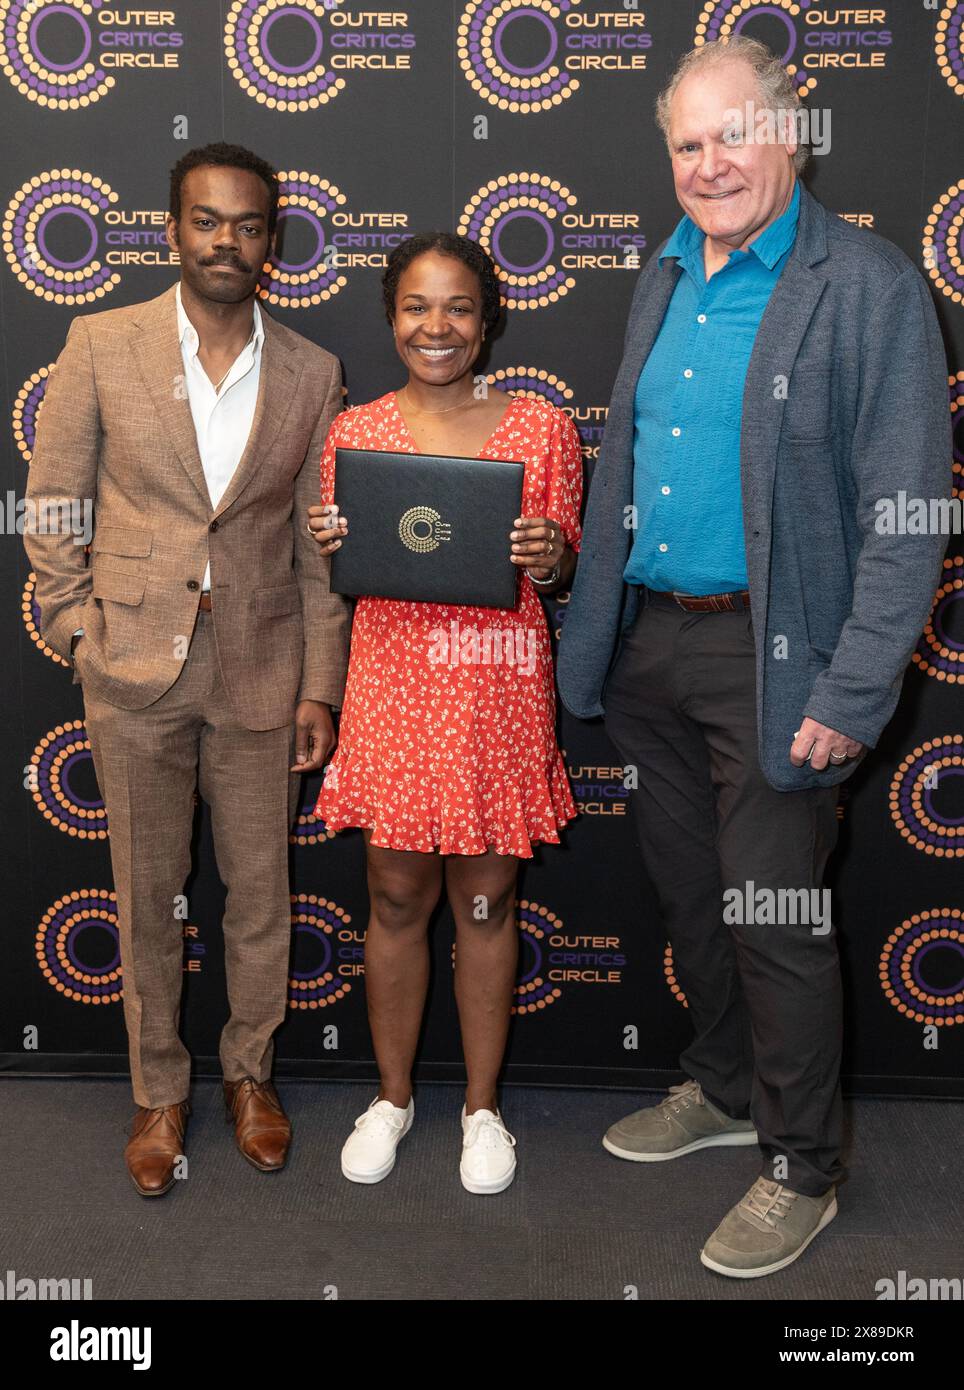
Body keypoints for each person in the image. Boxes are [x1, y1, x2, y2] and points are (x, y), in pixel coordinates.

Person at [556, 37, 951, 1277]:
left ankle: (800, 1166)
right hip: (653, 646)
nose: (709, 163)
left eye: (733, 134)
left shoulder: (868, 284)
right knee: (693, 899)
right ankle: (725, 1086)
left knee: (773, 917)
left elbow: (906, 509)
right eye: (687, 143)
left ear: (790, 135)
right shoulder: (665, 270)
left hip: (779, 661)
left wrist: (854, 685)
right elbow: (632, 459)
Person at [23, 143, 352, 1197]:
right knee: (147, 896)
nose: (225, 241)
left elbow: (316, 546)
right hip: (131, 665)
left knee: (260, 896)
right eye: (206, 221)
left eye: (247, 225)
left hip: (261, 666)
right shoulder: (101, 342)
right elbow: (55, 499)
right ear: (172, 231)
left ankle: (250, 1076)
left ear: (271, 242)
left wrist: (320, 683)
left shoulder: (311, 371)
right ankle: (159, 1091)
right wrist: (72, 625)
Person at [306, 232, 582, 1194]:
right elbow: (337, 574)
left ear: (487, 319)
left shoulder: (542, 428)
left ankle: (480, 1110)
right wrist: (330, 541)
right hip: (392, 685)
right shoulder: (354, 432)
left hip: (495, 691)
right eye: (417, 306)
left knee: (486, 902)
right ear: (392, 318)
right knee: (392, 898)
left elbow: (564, 570)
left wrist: (551, 556)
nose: (438, 326)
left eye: (458, 306)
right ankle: (391, 1100)